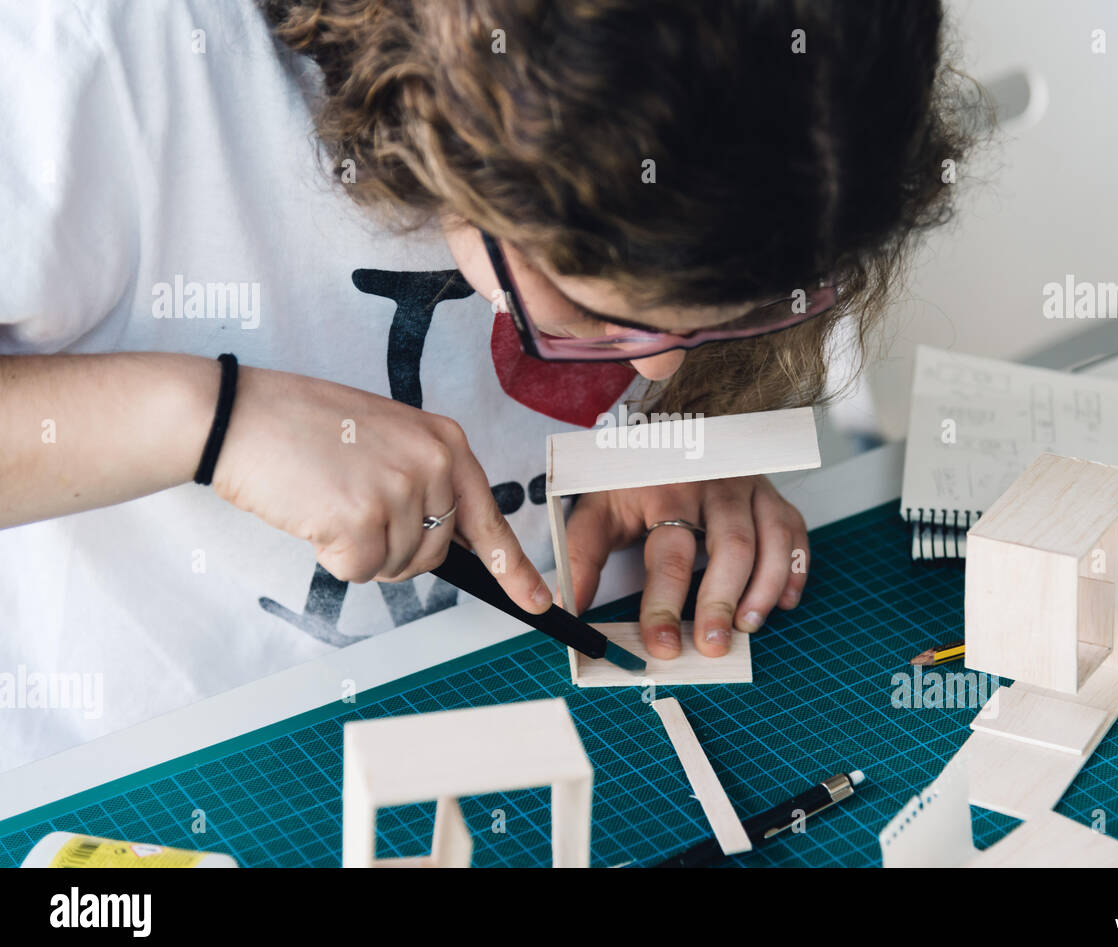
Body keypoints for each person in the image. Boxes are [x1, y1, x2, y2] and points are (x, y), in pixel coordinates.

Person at [0, 0, 974, 769]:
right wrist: (212, 421)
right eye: (591, 308)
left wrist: (676, 439)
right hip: (162, 757)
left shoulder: (799, 79)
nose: (657, 365)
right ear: (442, 116)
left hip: (552, 684)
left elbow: (672, 366)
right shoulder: (89, 58)